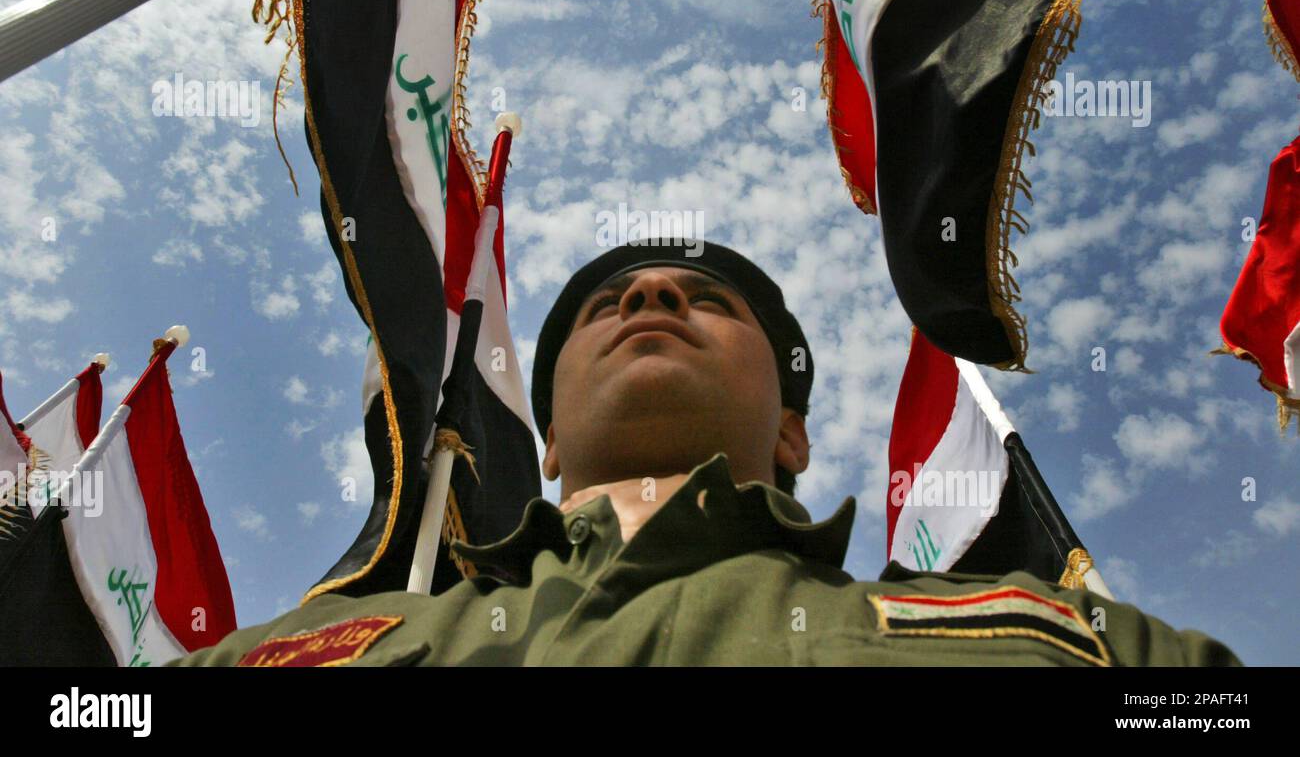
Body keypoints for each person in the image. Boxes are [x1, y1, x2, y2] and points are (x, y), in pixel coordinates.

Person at [171, 241, 1240, 666]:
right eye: (609, 302)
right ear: (544, 446)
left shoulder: (1061, 635)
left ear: (792, 428)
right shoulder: (314, 651)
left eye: (708, 301)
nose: (650, 295)